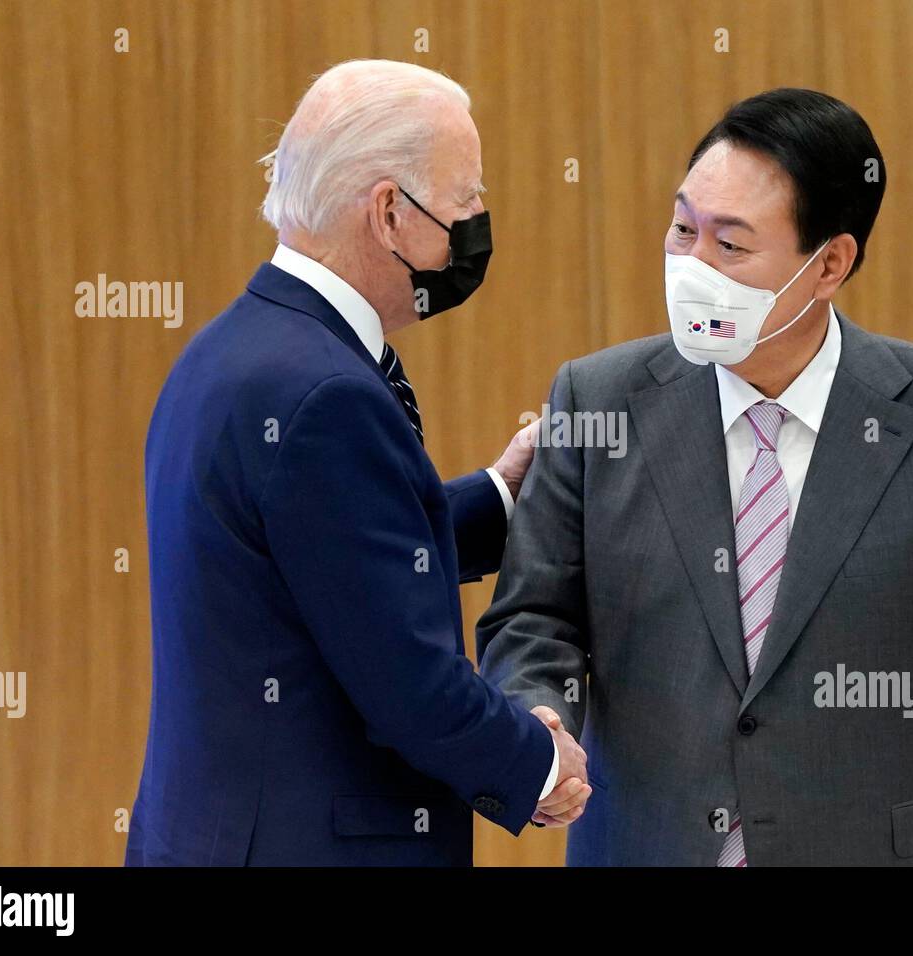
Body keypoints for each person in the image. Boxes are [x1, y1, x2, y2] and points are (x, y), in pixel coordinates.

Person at [478, 88, 913, 866]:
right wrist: (537, 714)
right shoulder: (595, 401)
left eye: (730, 246)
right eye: (681, 229)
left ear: (829, 263)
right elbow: (533, 616)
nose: (692, 266)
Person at [126, 59, 590, 867]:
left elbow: (331, 555)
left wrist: (503, 497)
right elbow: (408, 686)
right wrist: (541, 763)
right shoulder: (324, 394)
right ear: (389, 214)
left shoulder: (236, 348)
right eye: (467, 198)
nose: (480, 220)